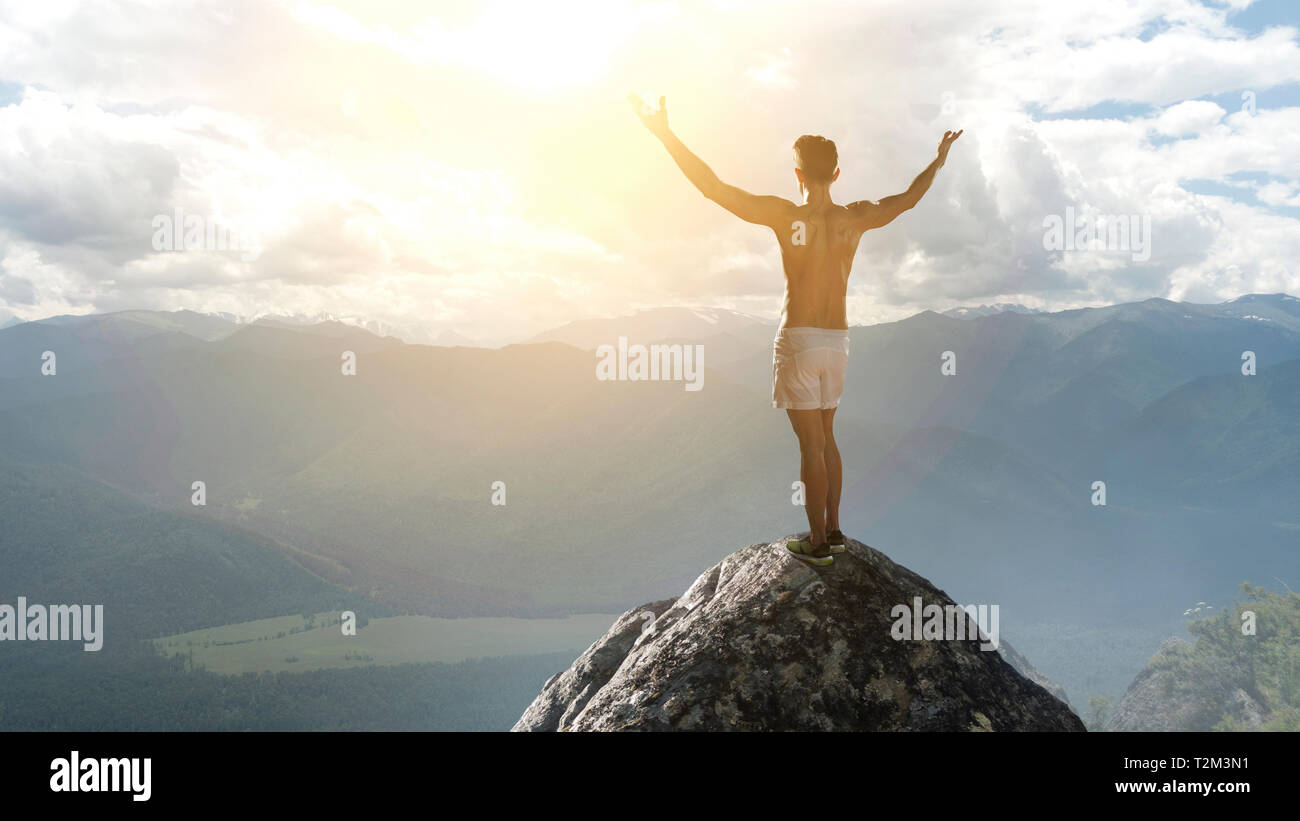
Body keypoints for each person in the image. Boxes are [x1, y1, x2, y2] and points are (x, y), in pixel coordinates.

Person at [631, 94, 961, 566]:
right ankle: (836, 529)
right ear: (838, 174)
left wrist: (664, 134)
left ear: (798, 175)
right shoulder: (856, 218)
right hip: (837, 341)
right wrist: (938, 159)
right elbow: (908, 199)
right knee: (828, 437)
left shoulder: (786, 217)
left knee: (810, 445)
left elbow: (712, 188)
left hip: (799, 340)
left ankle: (818, 541)